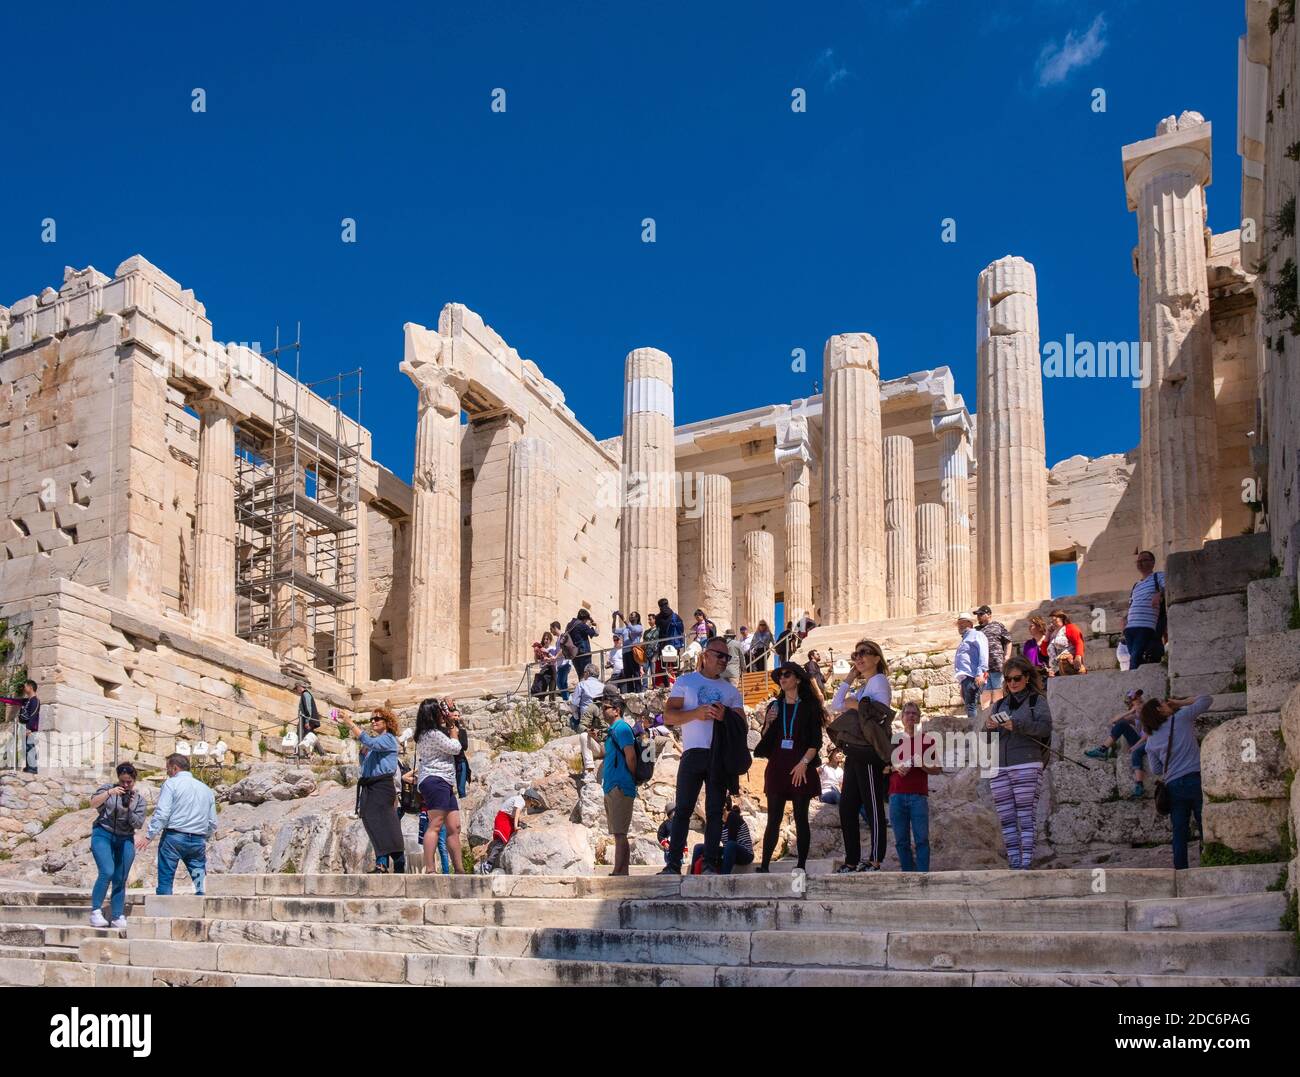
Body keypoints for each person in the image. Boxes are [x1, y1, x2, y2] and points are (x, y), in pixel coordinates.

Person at [660, 637, 744, 874]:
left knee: (715, 811)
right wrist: (696, 713)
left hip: (718, 755)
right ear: (705, 655)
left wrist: (724, 715)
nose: (724, 661)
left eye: (727, 657)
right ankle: (673, 864)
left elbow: (742, 724)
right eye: (720, 656)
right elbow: (668, 716)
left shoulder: (730, 690)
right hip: (692, 751)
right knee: (683, 809)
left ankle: (709, 863)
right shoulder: (686, 682)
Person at [983, 657, 1052, 870]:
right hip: (1000, 767)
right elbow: (987, 740)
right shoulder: (999, 704)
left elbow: (1045, 728)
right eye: (1008, 679)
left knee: (1025, 815)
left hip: (1027, 763)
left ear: (1027, 677)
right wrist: (989, 727)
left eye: (1017, 678)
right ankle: (1014, 864)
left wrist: (1018, 724)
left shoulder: (1036, 701)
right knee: (1006, 818)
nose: (1012, 683)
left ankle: (1026, 862)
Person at [755, 662, 825, 872]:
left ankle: (801, 865)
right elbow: (765, 739)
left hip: (799, 766)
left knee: (801, 817)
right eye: (780, 676)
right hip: (778, 766)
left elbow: (816, 742)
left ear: (798, 679)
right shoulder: (775, 706)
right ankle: (765, 865)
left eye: (787, 674)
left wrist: (804, 764)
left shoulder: (809, 707)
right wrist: (767, 722)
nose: (782, 678)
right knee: (773, 818)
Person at [1142, 694, 1212, 870]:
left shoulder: (1150, 741)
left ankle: (1181, 870)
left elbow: (1157, 770)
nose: (1167, 703)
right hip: (1195, 780)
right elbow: (1206, 699)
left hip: (1173, 786)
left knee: (1180, 831)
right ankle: (1210, 862)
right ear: (1159, 709)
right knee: (1205, 824)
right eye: (1164, 702)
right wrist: (1180, 703)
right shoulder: (1182, 718)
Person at [136, 753, 217, 895]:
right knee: (200, 882)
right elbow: (212, 821)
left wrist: (149, 836)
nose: (167, 772)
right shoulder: (206, 789)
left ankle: (164, 914)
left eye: (167, 768)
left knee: (166, 879)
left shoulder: (171, 784)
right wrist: (205, 837)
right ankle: (203, 910)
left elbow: (162, 813)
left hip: (174, 838)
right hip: (198, 839)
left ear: (174, 768)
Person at [346, 708, 406, 873]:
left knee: (387, 826)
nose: (373, 721)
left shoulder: (388, 739)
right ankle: (383, 863)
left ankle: (398, 862)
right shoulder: (376, 743)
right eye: (372, 719)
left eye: (377, 719)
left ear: (387, 722)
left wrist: (351, 724)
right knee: (373, 823)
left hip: (382, 787)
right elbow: (365, 765)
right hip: (370, 786)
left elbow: (370, 742)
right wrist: (362, 754)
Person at [88, 762, 147, 927]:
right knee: (107, 871)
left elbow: (138, 824)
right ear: (118, 780)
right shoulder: (108, 789)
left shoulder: (140, 800)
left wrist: (128, 810)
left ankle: (117, 915)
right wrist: (109, 793)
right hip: (103, 834)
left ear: (134, 781)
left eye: (129, 782)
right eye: (123, 782)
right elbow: (92, 803)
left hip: (125, 837)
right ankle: (95, 911)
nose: (126, 785)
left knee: (120, 877)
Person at [412, 698, 464, 874]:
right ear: (433, 714)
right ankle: (430, 869)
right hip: (436, 780)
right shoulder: (432, 734)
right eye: (440, 712)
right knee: (435, 824)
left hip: (444, 781)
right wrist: (452, 730)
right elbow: (456, 748)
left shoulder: (425, 733)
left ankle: (459, 869)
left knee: (454, 827)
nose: (443, 714)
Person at [889, 702, 941, 872]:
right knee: (901, 840)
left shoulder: (927, 740)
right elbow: (883, 767)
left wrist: (922, 765)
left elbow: (937, 769)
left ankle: (923, 876)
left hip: (918, 796)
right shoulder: (894, 740)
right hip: (896, 795)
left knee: (922, 839)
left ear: (919, 718)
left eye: (915, 714)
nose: (911, 716)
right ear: (902, 718)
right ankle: (907, 876)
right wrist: (895, 767)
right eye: (908, 713)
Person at [599, 685, 639, 876]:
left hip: (620, 785)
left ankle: (619, 871)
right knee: (618, 832)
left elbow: (630, 756)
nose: (602, 710)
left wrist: (630, 777)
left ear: (616, 710)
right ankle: (622, 871)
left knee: (620, 833)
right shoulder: (613, 730)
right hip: (613, 785)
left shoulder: (622, 728)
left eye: (605, 707)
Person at [1085, 689, 1150, 799]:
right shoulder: (1135, 715)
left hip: (1148, 741)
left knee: (1136, 752)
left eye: (1140, 698)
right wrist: (1130, 712)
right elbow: (1113, 721)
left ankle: (1139, 785)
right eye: (1136, 699)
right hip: (1140, 741)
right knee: (1122, 724)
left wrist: (1135, 746)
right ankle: (1103, 750)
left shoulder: (1149, 712)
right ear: (1131, 704)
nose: (1140, 699)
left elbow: (1150, 734)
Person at [1123, 551, 1166, 670]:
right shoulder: (1136, 585)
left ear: (1152, 562)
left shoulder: (1158, 576)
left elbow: (1169, 587)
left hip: (1145, 625)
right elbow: (1132, 604)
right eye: (1138, 561)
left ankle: (1133, 685)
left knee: (1135, 658)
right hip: (1130, 628)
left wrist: (1160, 594)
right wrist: (1124, 621)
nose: (1141, 563)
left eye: (1144, 560)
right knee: (1137, 658)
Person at [478, 789, 537, 873]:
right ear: (529, 799)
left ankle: (489, 862)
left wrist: (519, 823)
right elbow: (517, 813)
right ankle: (488, 863)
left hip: (507, 818)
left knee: (503, 839)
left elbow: (514, 814)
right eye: (532, 803)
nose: (531, 806)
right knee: (501, 841)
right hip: (503, 819)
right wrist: (516, 826)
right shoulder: (521, 801)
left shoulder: (519, 799)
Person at [694, 794, 753, 874]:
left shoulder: (733, 817)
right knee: (699, 847)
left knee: (730, 845)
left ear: (724, 805)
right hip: (728, 852)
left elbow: (731, 840)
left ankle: (724, 876)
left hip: (745, 854)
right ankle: (692, 876)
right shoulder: (719, 821)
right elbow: (712, 842)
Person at [953, 612, 988, 722]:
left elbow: (983, 653)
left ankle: (975, 730)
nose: (960, 625)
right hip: (965, 678)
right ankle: (974, 730)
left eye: (963, 623)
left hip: (973, 676)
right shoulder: (965, 638)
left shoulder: (977, 635)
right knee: (969, 706)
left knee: (972, 705)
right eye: (959, 623)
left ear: (970, 624)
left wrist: (980, 673)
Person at [976, 605, 1010, 702]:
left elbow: (1008, 641)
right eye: (977, 615)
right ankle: (985, 715)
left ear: (989, 614)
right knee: (984, 693)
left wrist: (1007, 657)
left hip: (996, 665)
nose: (978, 616)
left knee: (998, 691)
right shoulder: (976, 630)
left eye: (981, 614)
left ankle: (997, 714)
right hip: (982, 668)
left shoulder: (998, 625)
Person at [1046, 608, 1086, 675]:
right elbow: (1044, 652)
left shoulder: (1069, 627)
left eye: (1055, 620)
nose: (1053, 623)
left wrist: (1078, 657)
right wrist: (1047, 634)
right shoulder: (1052, 634)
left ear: (1062, 618)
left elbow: (1079, 642)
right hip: (1056, 671)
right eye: (1051, 621)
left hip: (1070, 666)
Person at [612, 610, 645, 692]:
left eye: (632, 615)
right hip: (625, 653)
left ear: (637, 618)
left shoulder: (639, 627)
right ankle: (630, 692)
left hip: (633, 652)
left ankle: (638, 691)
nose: (630, 616)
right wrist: (614, 618)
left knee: (636, 673)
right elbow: (614, 630)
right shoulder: (625, 629)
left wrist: (623, 618)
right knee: (628, 674)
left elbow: (633, 630)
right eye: (630, 615)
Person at [563, 609, 600, 679]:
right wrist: (597, 624)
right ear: (585, 618)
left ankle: (581, 689)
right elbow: (596, 633)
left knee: (580, 676)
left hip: (574, 654)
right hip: (584, 654)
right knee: (588, 676)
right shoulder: (582, 625)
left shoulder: (569, 625)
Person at [18, 679, 39, 774]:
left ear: (30, 687)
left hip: (31, 729)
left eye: (25, 686)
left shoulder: (35, 700)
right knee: (26, 747)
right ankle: (28, 766)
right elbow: (13, 701)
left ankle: (33, 768)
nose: (24, 688)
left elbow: (33, 714)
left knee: (30, 747)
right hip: (26, 728)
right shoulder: (27, 701)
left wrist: (29, 728)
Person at [549, 620, 572, 702]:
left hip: (565, 663)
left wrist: (555, 657)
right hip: (560, 664)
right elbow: (557, 651)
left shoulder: (563, 636)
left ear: (555, 628)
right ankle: (567, 699)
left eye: (551, 629)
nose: (551, 632)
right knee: (561, 683)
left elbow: (563, 649)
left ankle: (567, 699)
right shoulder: (558, 640)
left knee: (561, 682)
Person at [531, 632, 557, 697]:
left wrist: (547, 653)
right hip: (544, 669)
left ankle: (552, 702)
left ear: (550, 640)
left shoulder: (552, 648)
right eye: (544, 639)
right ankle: (541, 700)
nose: (545, 641)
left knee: (552, 688)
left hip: (551, 668)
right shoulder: (541, 649)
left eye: (547, 639)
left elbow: (553, 659)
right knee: (542, 688)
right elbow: (536, 661)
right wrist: (536, 653)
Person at [296, 680, 322, 744]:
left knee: (305, 736)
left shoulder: (305, 694)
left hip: (308, 720)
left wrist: (307, 721)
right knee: (309, 737)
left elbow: (308, 708)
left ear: (299, 687)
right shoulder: (305, 694)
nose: (296, 690)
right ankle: (321, 752)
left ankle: (302, 752)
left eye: (296, 688)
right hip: (307, 719)